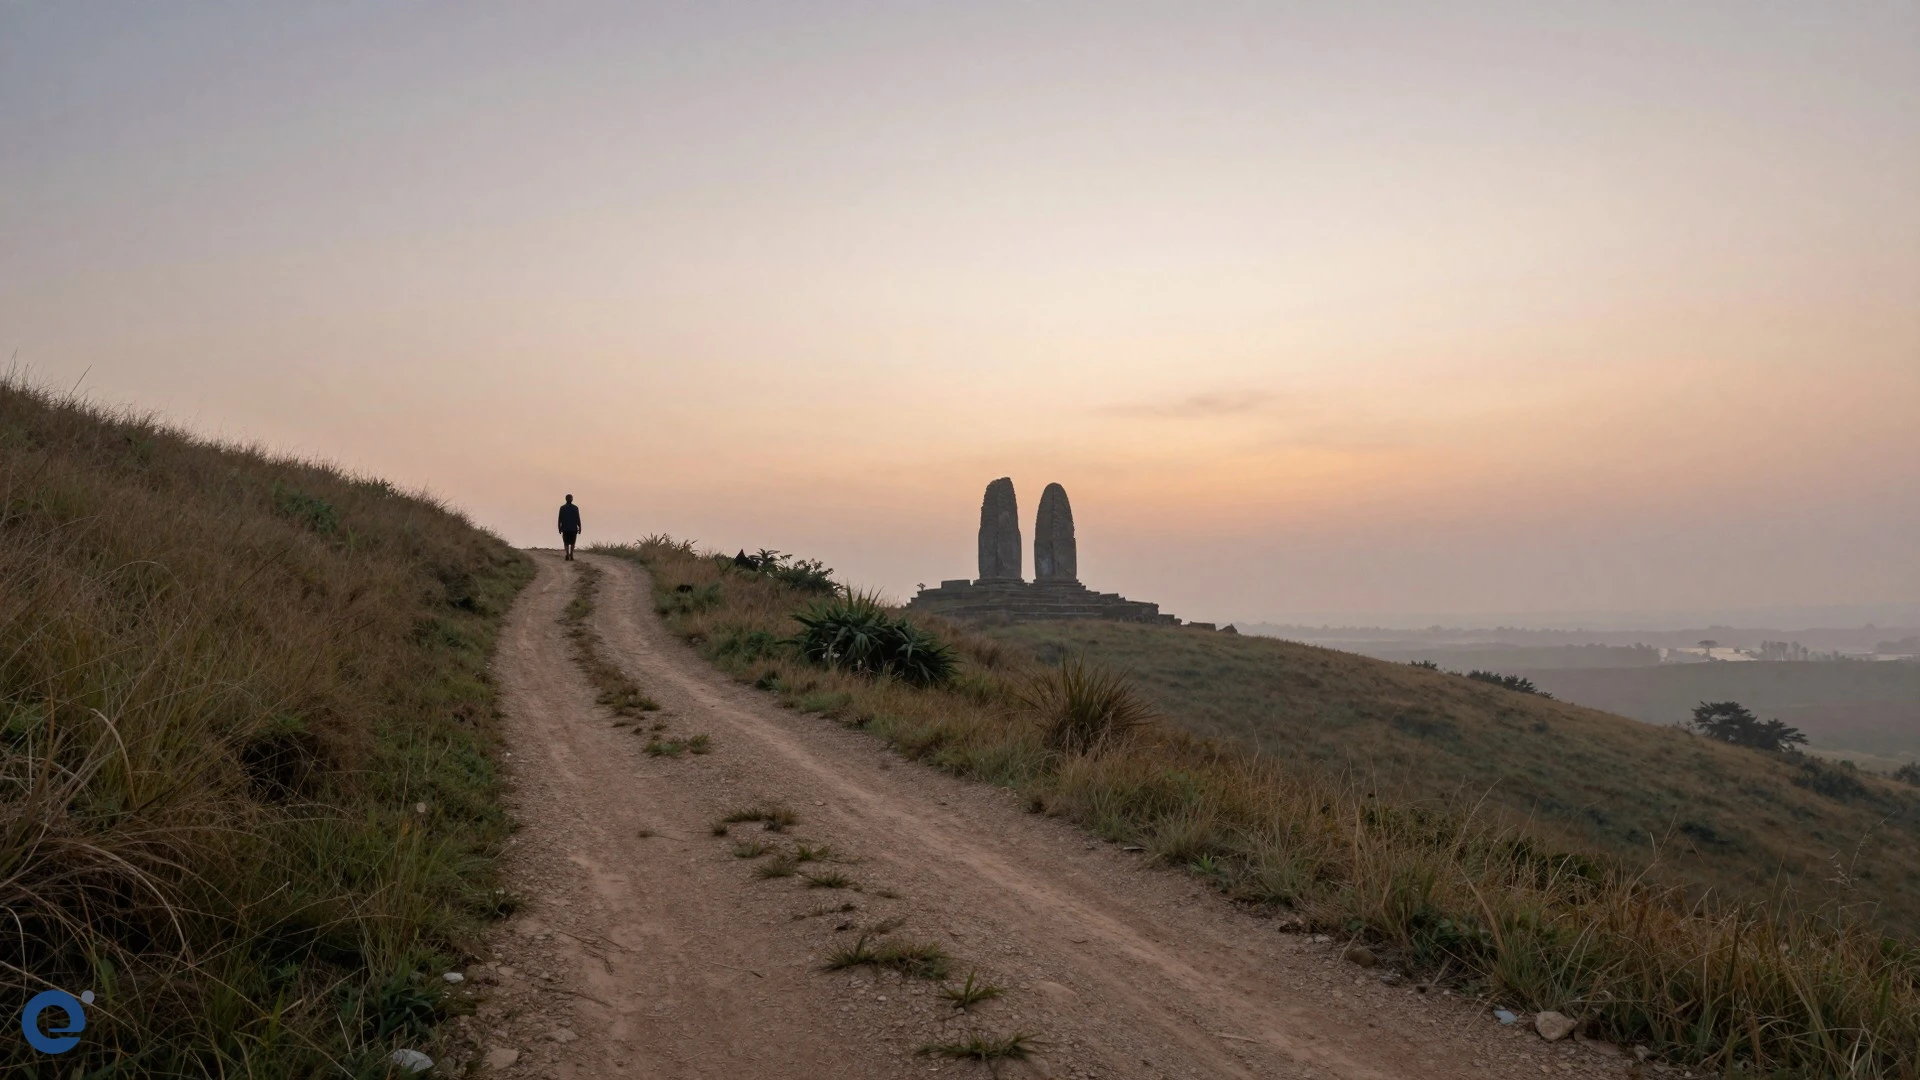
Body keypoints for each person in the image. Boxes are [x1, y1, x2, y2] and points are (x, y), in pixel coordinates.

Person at [557, 494, 582, 560]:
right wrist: (580, 527)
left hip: (565, 528)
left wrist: (559, 528)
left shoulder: (562, 508)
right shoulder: (575, 508)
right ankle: (571, 555)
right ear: (571, 499)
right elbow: (578, 518)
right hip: (573, 528)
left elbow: (560, 519)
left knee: (566, 543)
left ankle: (567, 554)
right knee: (572, 542)